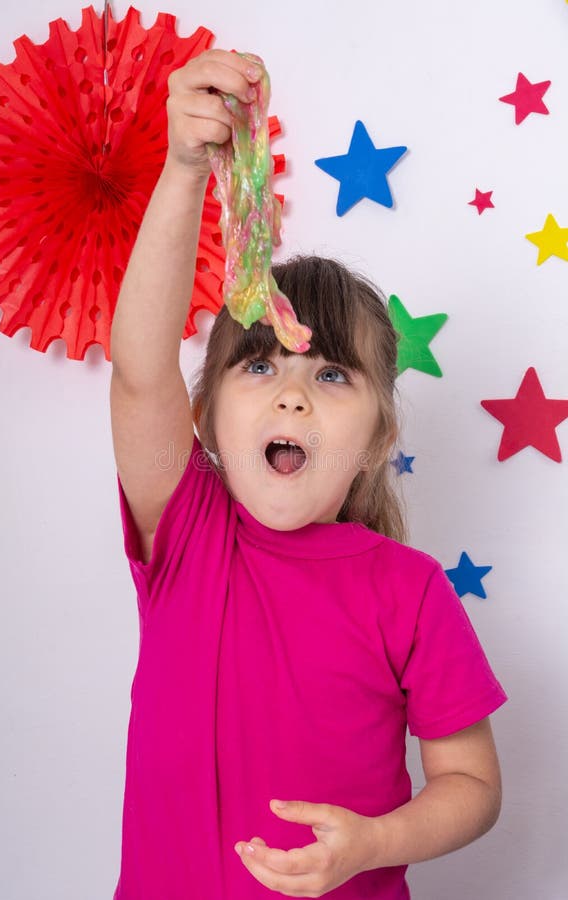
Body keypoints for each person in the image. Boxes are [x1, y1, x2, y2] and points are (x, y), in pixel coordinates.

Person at [109, 48, 508, 900]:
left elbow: (472, 787)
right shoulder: (188, 537)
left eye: (330, 376)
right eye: (260, 368)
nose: (293, 396)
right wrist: (185, 171)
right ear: (205, 415)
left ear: (376, 436)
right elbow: (140, 365)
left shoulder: (410, 591)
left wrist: (373, 842)